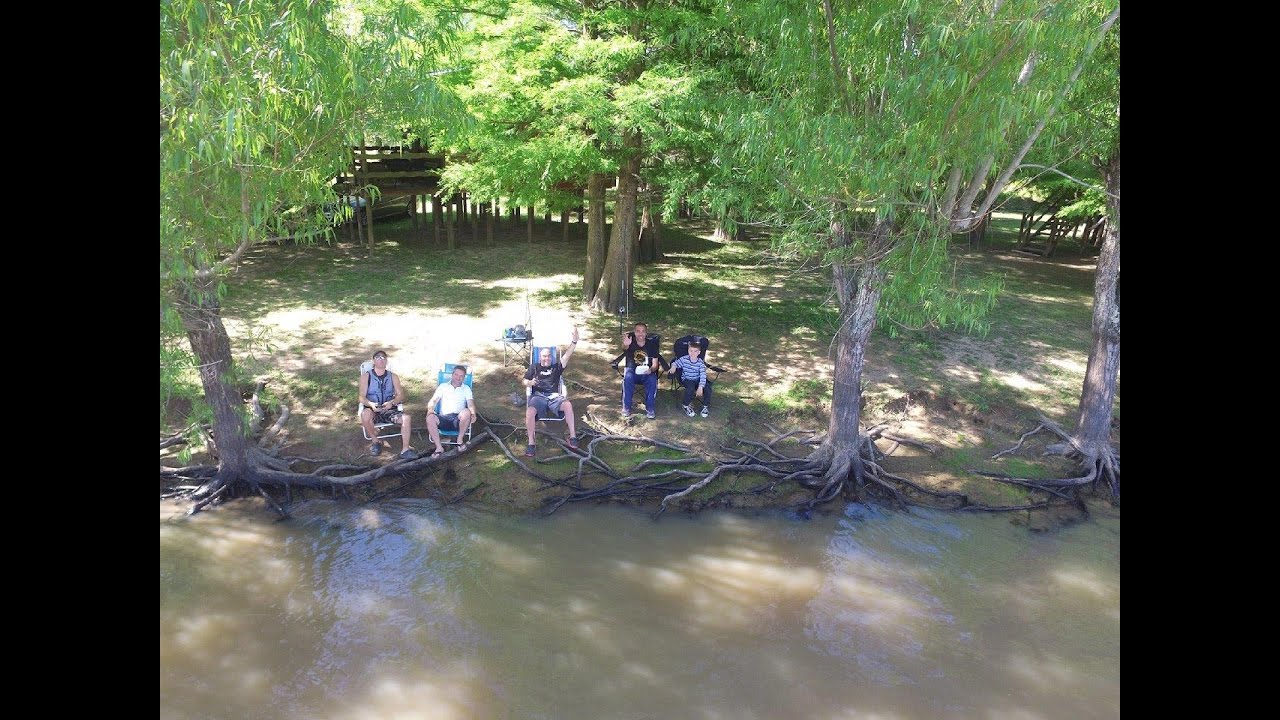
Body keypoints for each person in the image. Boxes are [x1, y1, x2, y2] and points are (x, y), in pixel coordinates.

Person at [523, 327, 580, 457]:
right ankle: (531, 443)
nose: (547, 358)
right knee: (530, 411)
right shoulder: (534, 367)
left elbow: (568, 355)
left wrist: (574, 342)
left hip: (554, 397)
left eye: (549, 356)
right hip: (538, 397)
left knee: (568, 404)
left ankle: (573, 437)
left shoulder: (556, 367)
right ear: (540, 357)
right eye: (544, 356)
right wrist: (530, 383)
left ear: (551, 357)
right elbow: (525, 380)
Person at [359, 350, 418, 459]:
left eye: (383, 357)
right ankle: (375, 441)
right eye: (378, 357)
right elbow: (361, 397)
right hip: (373, 410)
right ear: (373, 361)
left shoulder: (393, 377)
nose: (381, 359)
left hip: (389, 410)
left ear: (386, 361)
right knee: (365, 415)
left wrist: (392, 402)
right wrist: (371, 404)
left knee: (406, 419)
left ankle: (405, 449)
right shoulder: (366, 377)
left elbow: (401, 395)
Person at [426, 365, 476, 458]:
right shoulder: (443, 386)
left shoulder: (466, 388)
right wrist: (430, 409)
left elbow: (470, 403)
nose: (458, 378)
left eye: (461, 376)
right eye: (456, 374)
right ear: (452, 375)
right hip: (443, 418)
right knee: (430, 418)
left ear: (464, 378)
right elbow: (433, 400)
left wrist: (473, 413)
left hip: (458, 419)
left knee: (467, 412)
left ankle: (459, 441)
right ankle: (439, 447)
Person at [621, 322, 661, 419]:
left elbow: (655, 364)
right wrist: (625, 344)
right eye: (638, 331)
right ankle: (626, 407)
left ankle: (650, 408)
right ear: (635, 333)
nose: (640, 334)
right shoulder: (631, 343)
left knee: (652, 380)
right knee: (628, 377)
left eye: (643, 331)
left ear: (646, 333)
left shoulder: (652, 345)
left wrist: (651, 370)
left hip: (647, 372)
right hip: (632, 371)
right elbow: (624, 349)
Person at [669, 342, 713, 417]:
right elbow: (675, 363)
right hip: (687, 379)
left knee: (708, 388)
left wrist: (700, 386)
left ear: (699, 352)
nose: (693, 353)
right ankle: (685, 405)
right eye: (691, 351)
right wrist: (673, 367)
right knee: (690, 389)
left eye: (695, 351)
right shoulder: (684, 359)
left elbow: (703, 375)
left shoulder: (700, 363)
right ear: (688, 351)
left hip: (698, 379)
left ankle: (705, 406)